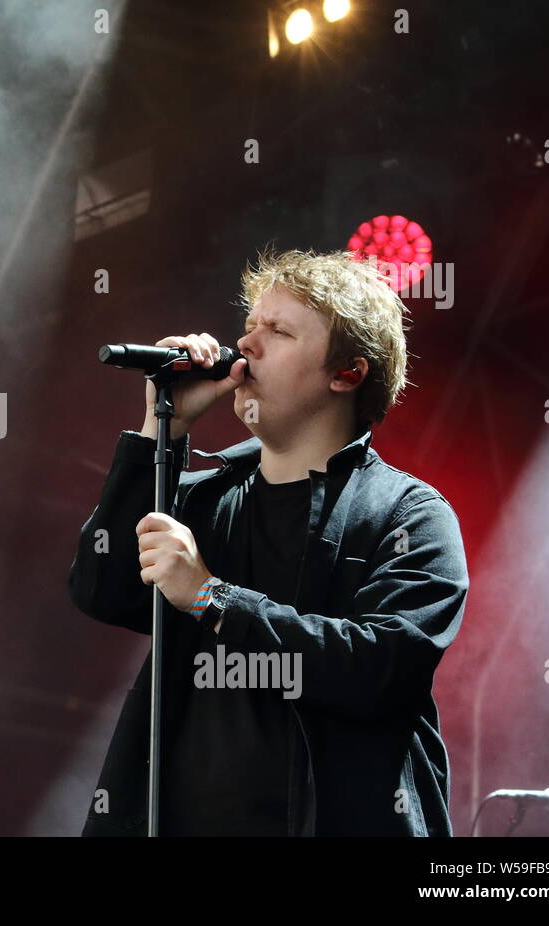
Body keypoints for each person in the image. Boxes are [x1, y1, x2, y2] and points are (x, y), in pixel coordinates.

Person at [68, 248, 469, 836]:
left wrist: (209, 597)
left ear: (347, 373)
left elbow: (377, 670)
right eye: (250, 325)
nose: (247, 344)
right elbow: (99, 589)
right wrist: (164, 428)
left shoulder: (409, 515)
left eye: (278, 331)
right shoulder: (200, 501)